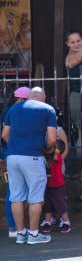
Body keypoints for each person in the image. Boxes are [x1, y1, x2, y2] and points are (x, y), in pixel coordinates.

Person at [3, 86, 57, 245]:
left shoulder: (13, 108)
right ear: (43, 97)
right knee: (35, 197)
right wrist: (46, 149)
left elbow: (5, 134)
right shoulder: (47, 109)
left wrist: (16, 146)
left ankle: (20, 234)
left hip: (12, 156)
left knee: (16, 196)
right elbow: (53, 139)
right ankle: (33, 234)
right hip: (33, 156)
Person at [3, 86, 29, 238]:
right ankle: (14, 226)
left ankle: (15, 226)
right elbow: (5, 134)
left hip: (10, 152)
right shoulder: (14, 111)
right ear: (20, 99)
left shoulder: (8, 110)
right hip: (14, 151)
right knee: (14, 191)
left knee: (14, 191)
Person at [41, 136, 70, 234]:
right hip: (48, 184)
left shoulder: (57, 156)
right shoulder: (46, 157)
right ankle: (47, 222)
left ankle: (66, 222)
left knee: (60, 204)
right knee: (48, 205)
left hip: (58, 185)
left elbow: (55, 153)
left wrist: (52, 148)